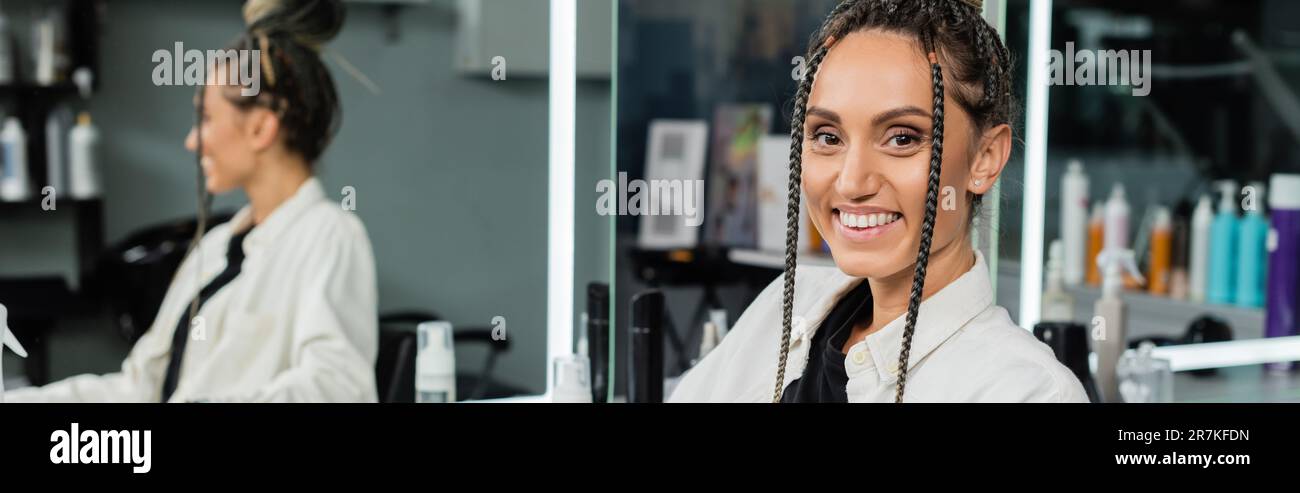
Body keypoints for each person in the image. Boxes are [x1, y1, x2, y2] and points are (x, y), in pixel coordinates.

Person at [670, 0, 1087, 403]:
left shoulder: (1025, 392)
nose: (852, 182)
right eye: (828, 137)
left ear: (985, 158)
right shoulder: (785, 306)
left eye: (902, 138)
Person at [7, 0, 378, 403]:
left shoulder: (330, 236)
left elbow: (338, 387)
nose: (191, 140)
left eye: (205, 118)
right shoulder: (215, 246)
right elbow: (140, 386)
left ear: (259, 128)